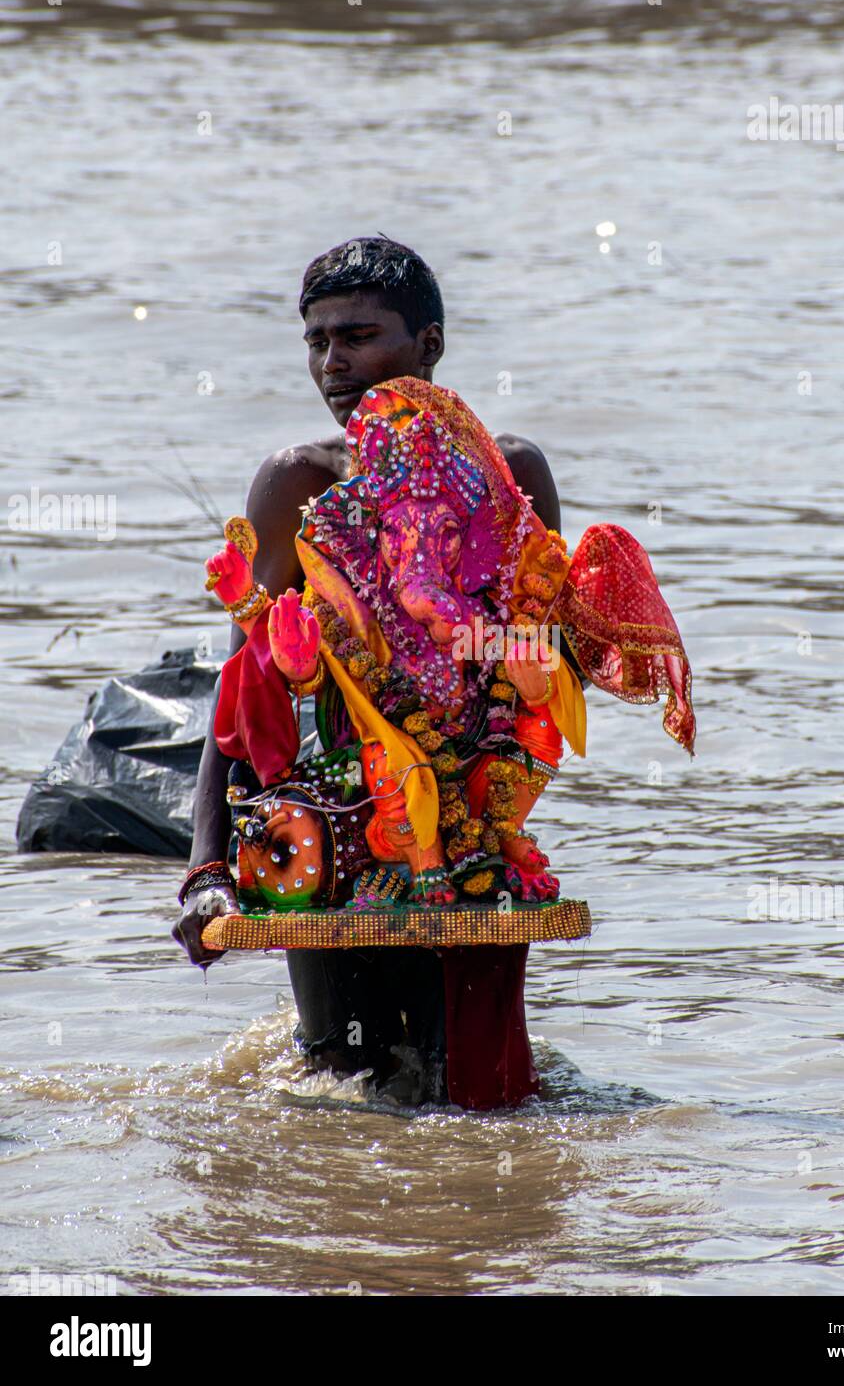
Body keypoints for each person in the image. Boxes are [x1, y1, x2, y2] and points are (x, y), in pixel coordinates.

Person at [172, 237, 562, 1104]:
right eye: (316, 340)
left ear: (429, 345)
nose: (333, 362)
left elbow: (544, 663)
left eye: (358, 336)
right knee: (344, 1094)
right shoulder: (299, 484)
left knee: (483, 1097)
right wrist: (206, 869)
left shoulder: (513, 474)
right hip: (338, 835)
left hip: (473, 841)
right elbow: (242, 686)